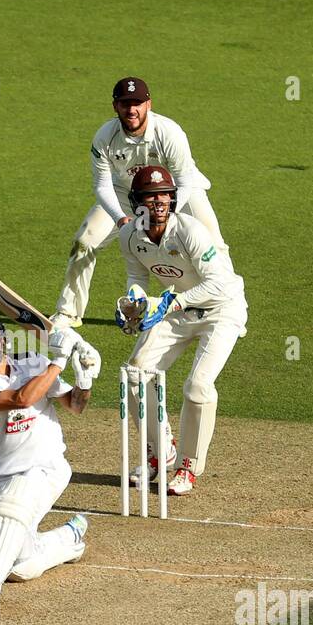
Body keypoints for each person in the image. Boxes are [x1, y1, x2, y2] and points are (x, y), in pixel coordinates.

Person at [51, 76, 230, 330]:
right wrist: (120, 218)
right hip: (125, 194)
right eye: (125, 103)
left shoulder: (169, 133)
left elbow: (185, 179)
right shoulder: (105, 137)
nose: (131, 109)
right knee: (84, 242)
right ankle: (68, 313)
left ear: (149, 104)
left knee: (214, 241)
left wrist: (168, 215)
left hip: (177, 192)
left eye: (137, 103)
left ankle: (228, 310)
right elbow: (102, 185)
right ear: (116, 107)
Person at [0, 313, 99, 614]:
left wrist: (85, 376)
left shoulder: (32, 361)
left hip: (47, 469)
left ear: (3, 338)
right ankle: (69, 537)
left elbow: (75, 405)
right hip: (3, 478)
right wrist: (58, 360)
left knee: (12, 504)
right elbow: (21, 398)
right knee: (22, 566)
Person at [114, 165, 247, 496]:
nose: (158, 201)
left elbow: (218, 283)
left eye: (163, 195)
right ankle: (161, 451)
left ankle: (188, 465)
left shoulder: (191, 231)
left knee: (198, 386)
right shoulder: (130, 237)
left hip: (221, 310)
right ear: (137, 201)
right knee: (135, 374)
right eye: (150, 195)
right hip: (178, 310)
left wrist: (170, 304)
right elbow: (137, 279)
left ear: (172, 199)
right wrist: (132, 306)